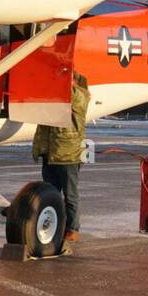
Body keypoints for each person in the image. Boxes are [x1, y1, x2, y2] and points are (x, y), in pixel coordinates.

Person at [31, 72, 90, 244]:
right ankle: (55, 225)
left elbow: (70, 92)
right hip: (50, 154)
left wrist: (58, 74)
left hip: (68, 155)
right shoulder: (56, 97)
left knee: (70, 195)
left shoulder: (80, 96)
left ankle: (72, 228)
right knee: (51, 194)